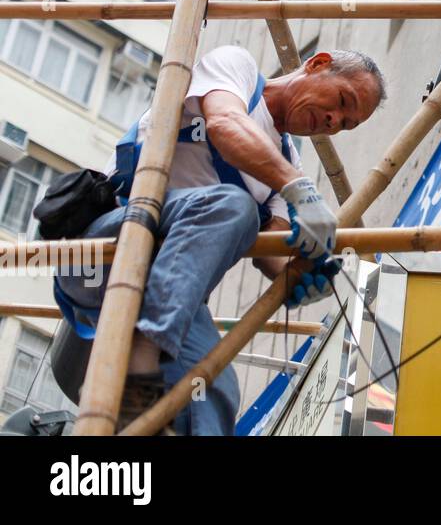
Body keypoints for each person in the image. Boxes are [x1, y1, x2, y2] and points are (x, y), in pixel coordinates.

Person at [54, 45, 386, 434]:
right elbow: (225, 125)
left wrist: (308, 275)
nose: (332, 120)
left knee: (215, 392)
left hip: (173, 293)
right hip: (114, 246)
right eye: (342, 101)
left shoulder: (283, 165)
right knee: (234, 206)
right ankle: (143, 353)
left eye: (345, 124)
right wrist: (298, 187)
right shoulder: (237, 71)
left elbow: (272, 255)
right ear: (318, 64)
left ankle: (142, 405)